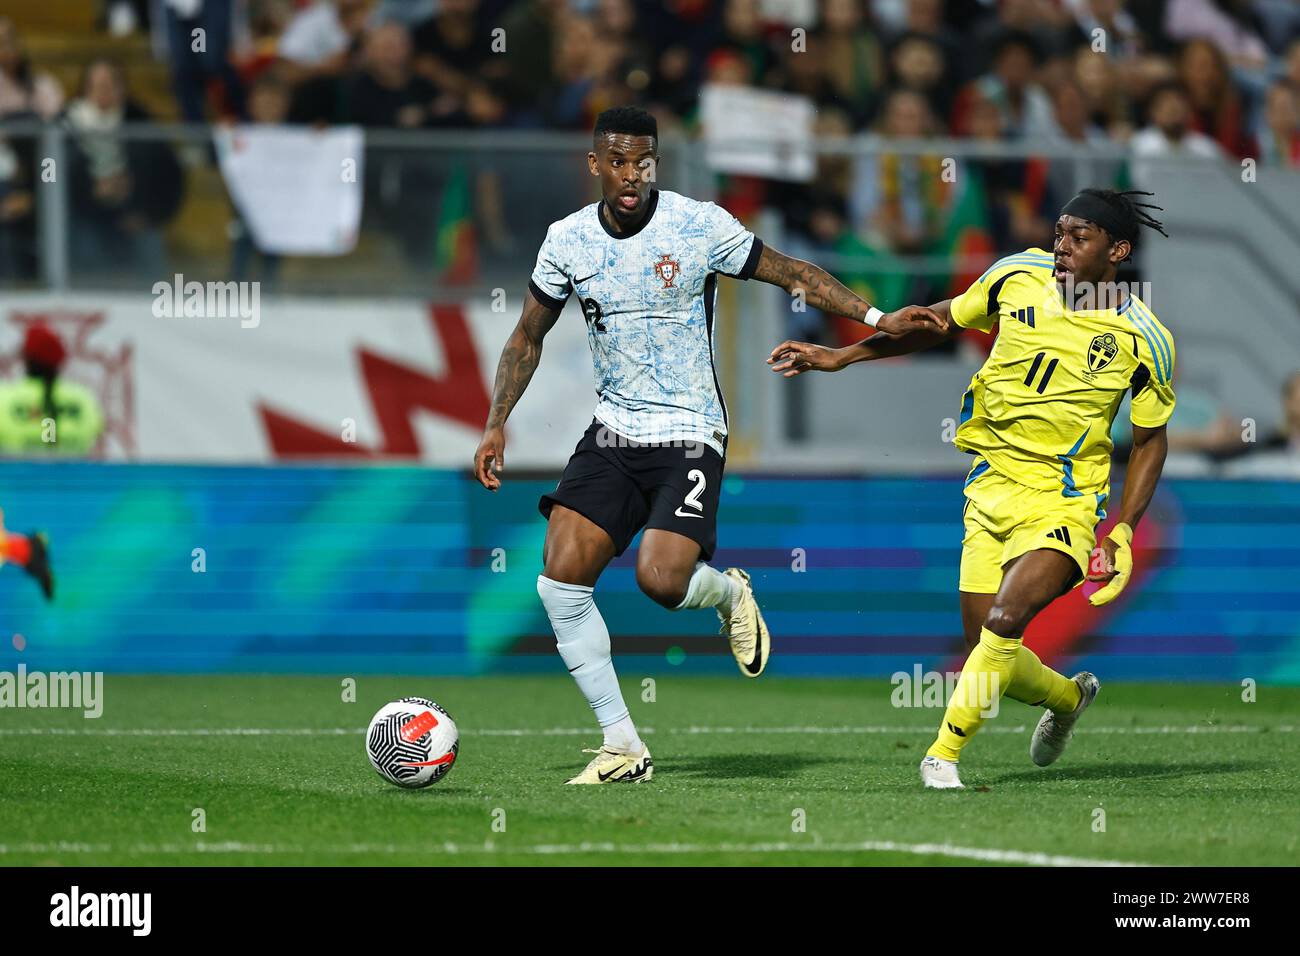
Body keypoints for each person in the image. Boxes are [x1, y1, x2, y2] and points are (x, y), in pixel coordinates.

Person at [473, 106, 944, 785]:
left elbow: (793, 274)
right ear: (595, 164)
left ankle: (727, 596)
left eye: (643, 161)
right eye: (618, 161)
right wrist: (496, 422)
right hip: (613, 431)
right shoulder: (566, 241)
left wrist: (876, 317)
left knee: (660, 581)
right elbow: (527, 337)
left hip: (690, 431)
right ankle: (622, 745)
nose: (631, 174)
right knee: (559, 579)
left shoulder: (699, 226)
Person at [769, 188, 1174, 789]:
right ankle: (1068, 699)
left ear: (1117, 250)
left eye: (1079, 237)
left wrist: (1120, 531)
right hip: (988, 487)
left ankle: (942, 754)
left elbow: (1148, 442)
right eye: (1060, 231)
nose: (1062, 246)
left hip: (1063, 497)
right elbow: (933, 322)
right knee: (988, 642)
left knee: (1006, 620)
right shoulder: (1015, 276)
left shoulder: (1144, 337)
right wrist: (843, 356)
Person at [0, 322, 105, 456]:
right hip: (73, 476)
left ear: (26, 358)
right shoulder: (84, 399)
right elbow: (95, 432)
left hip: (14, 476)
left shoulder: (4, 397)